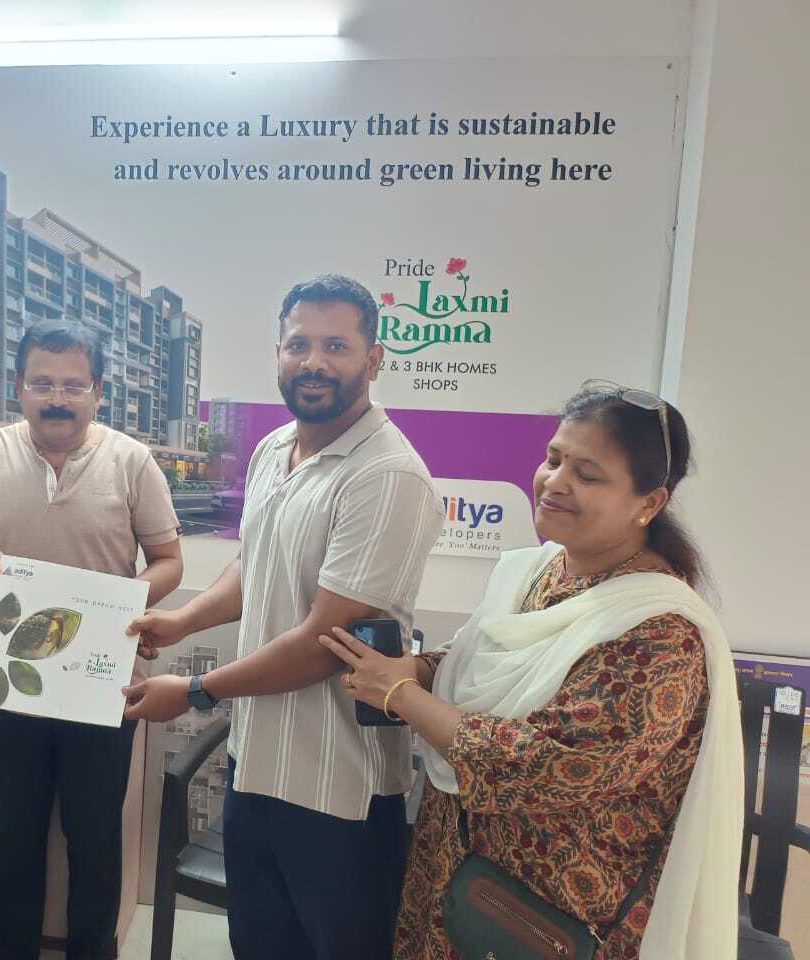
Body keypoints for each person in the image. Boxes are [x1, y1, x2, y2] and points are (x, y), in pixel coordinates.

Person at [319, 380, 742, 958]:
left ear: (649, 502)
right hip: (453, 878)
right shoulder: (537, 572)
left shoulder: (660, 632)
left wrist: (403, 695)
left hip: (547, 912)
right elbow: (481, 662)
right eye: (553, 458)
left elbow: (548, 764)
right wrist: (417, 668)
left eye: (587, 474)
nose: (555, 481)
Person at [123, 275, 444, 960]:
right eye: (299, 344)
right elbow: (256, 565)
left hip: (339, 789)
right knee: (259, 946)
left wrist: (196, 690)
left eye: (336, 346)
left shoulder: (387, 475)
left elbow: (325, 643)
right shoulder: (273, 451)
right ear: (278, 353)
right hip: (256, 767)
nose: (314, 362)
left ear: (374, 359)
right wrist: (183, 621)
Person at [0, 319, 183, 960]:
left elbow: (168, 562)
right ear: (19, 386)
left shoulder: (132, 461)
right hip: (9, 676)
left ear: (98, 391)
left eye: (74, 385)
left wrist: (125, 608)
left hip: (101, 678)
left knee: (94, 833)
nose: (58, 399)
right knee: (15, 828)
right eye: (42, 383)